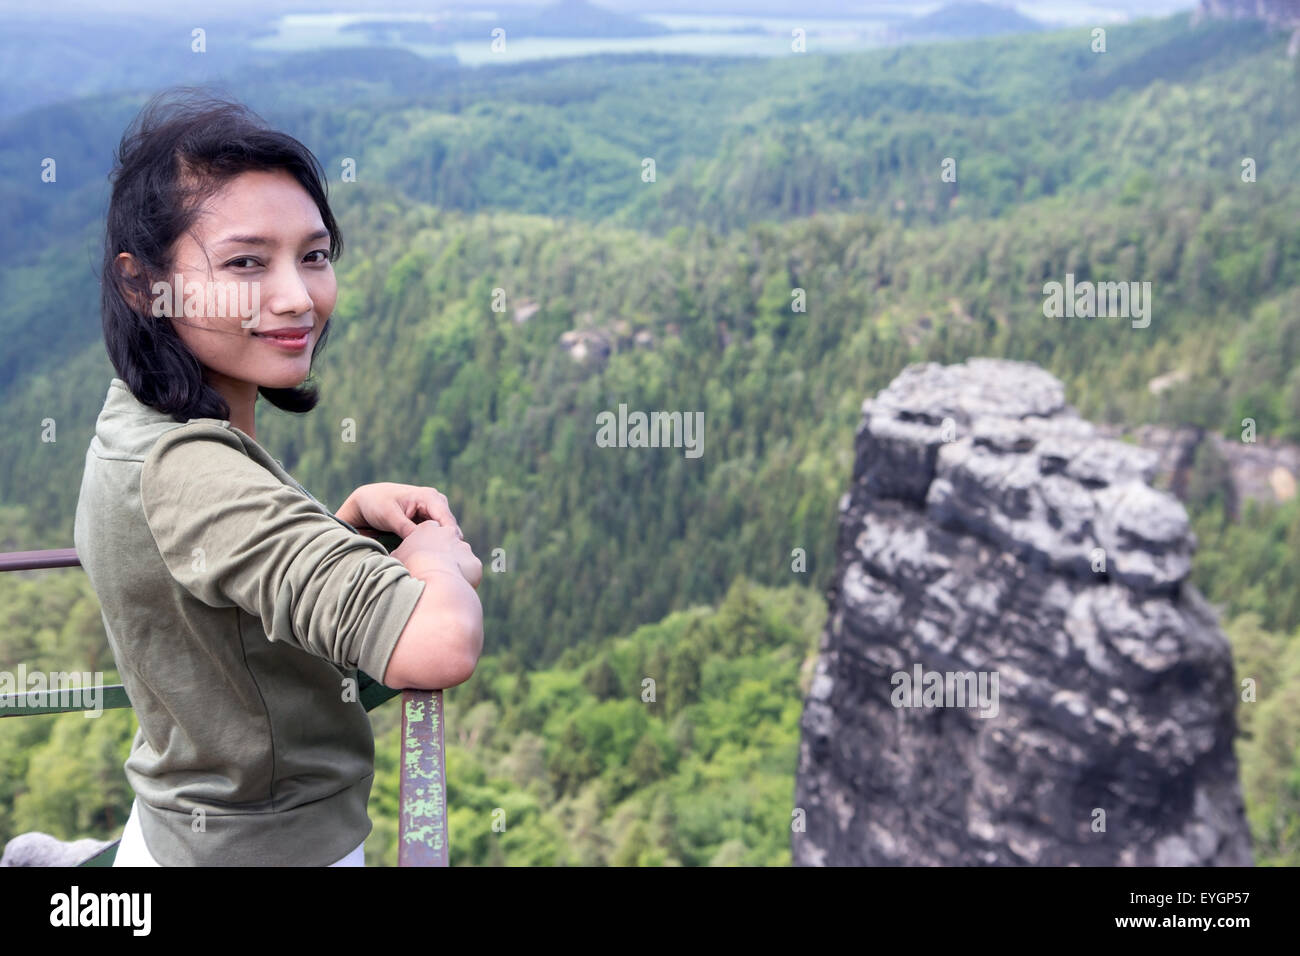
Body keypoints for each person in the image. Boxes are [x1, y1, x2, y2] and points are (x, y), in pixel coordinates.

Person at [73, 87, 484, 866]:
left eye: (315, 255)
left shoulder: (137, 422)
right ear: (140, 284)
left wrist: (337, 531)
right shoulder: (187, 468)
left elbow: (212, 594)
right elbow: (439, 644)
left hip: (177, 826)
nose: (298, 298)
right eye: (245, 263)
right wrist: (433, 561)